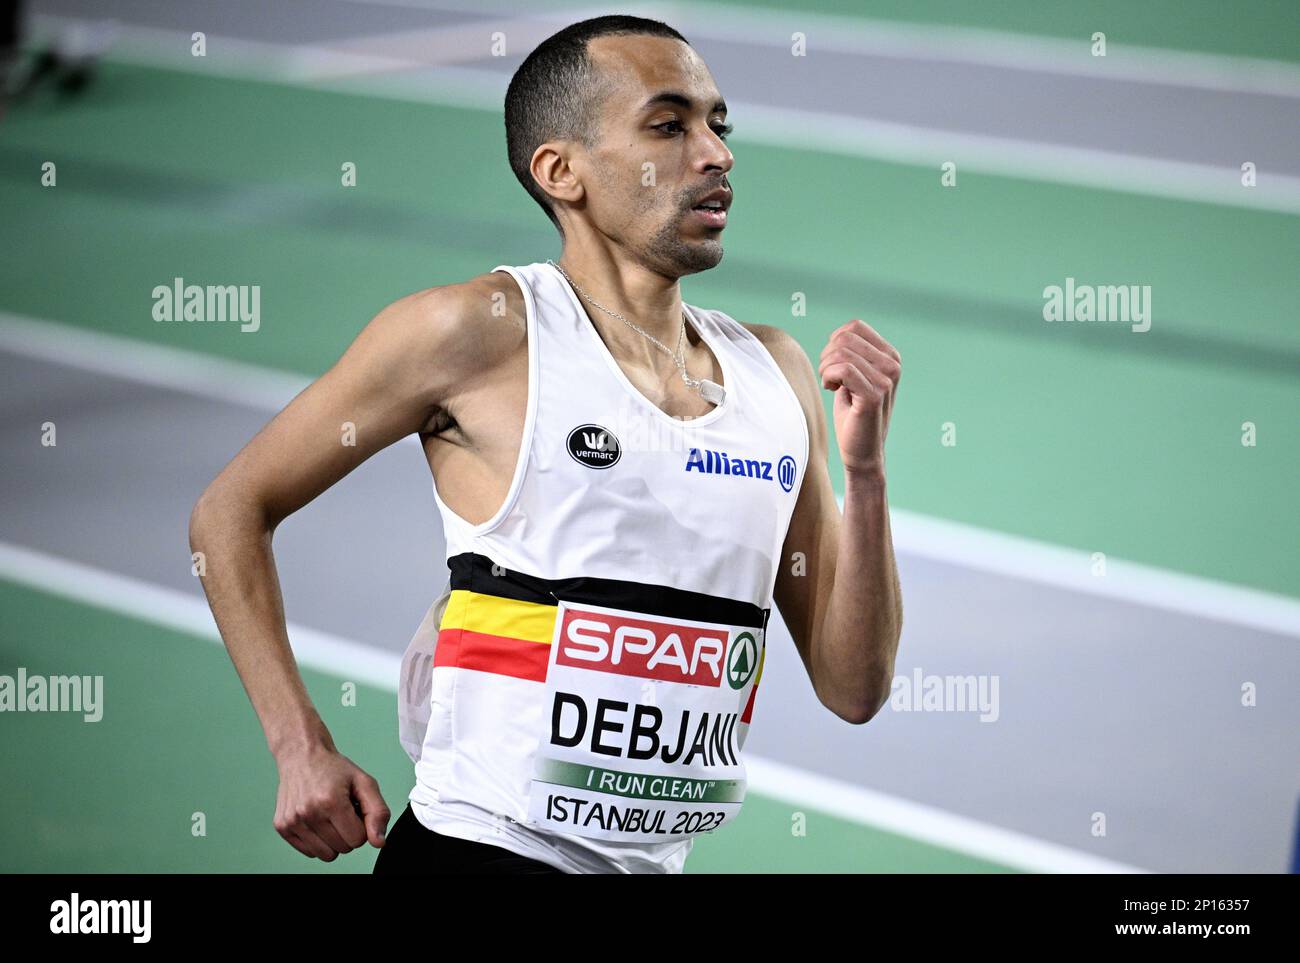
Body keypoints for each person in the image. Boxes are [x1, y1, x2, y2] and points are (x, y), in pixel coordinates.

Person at [189, 14, 904, 875]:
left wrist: (864, 477)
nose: (716, 153)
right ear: (561, 172)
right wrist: (299, 744)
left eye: (720, 124)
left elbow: (853, 687)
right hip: (481, 852)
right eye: (669, 125)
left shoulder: (776, 376)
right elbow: (231, 508)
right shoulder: (476, 334)